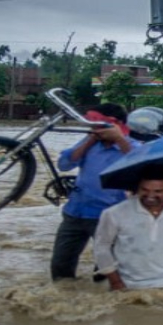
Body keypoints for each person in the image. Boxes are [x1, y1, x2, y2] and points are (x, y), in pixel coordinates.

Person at [50, 104, 138, 281]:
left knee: (106, 272)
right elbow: (64, 164)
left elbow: (144, 165)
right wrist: (89, 141)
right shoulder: (90, 143)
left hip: (107, 217)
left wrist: (119, 139)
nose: (94, 128)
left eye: (98, 124)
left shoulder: (132, 146)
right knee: (61, 266)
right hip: (75, 212)